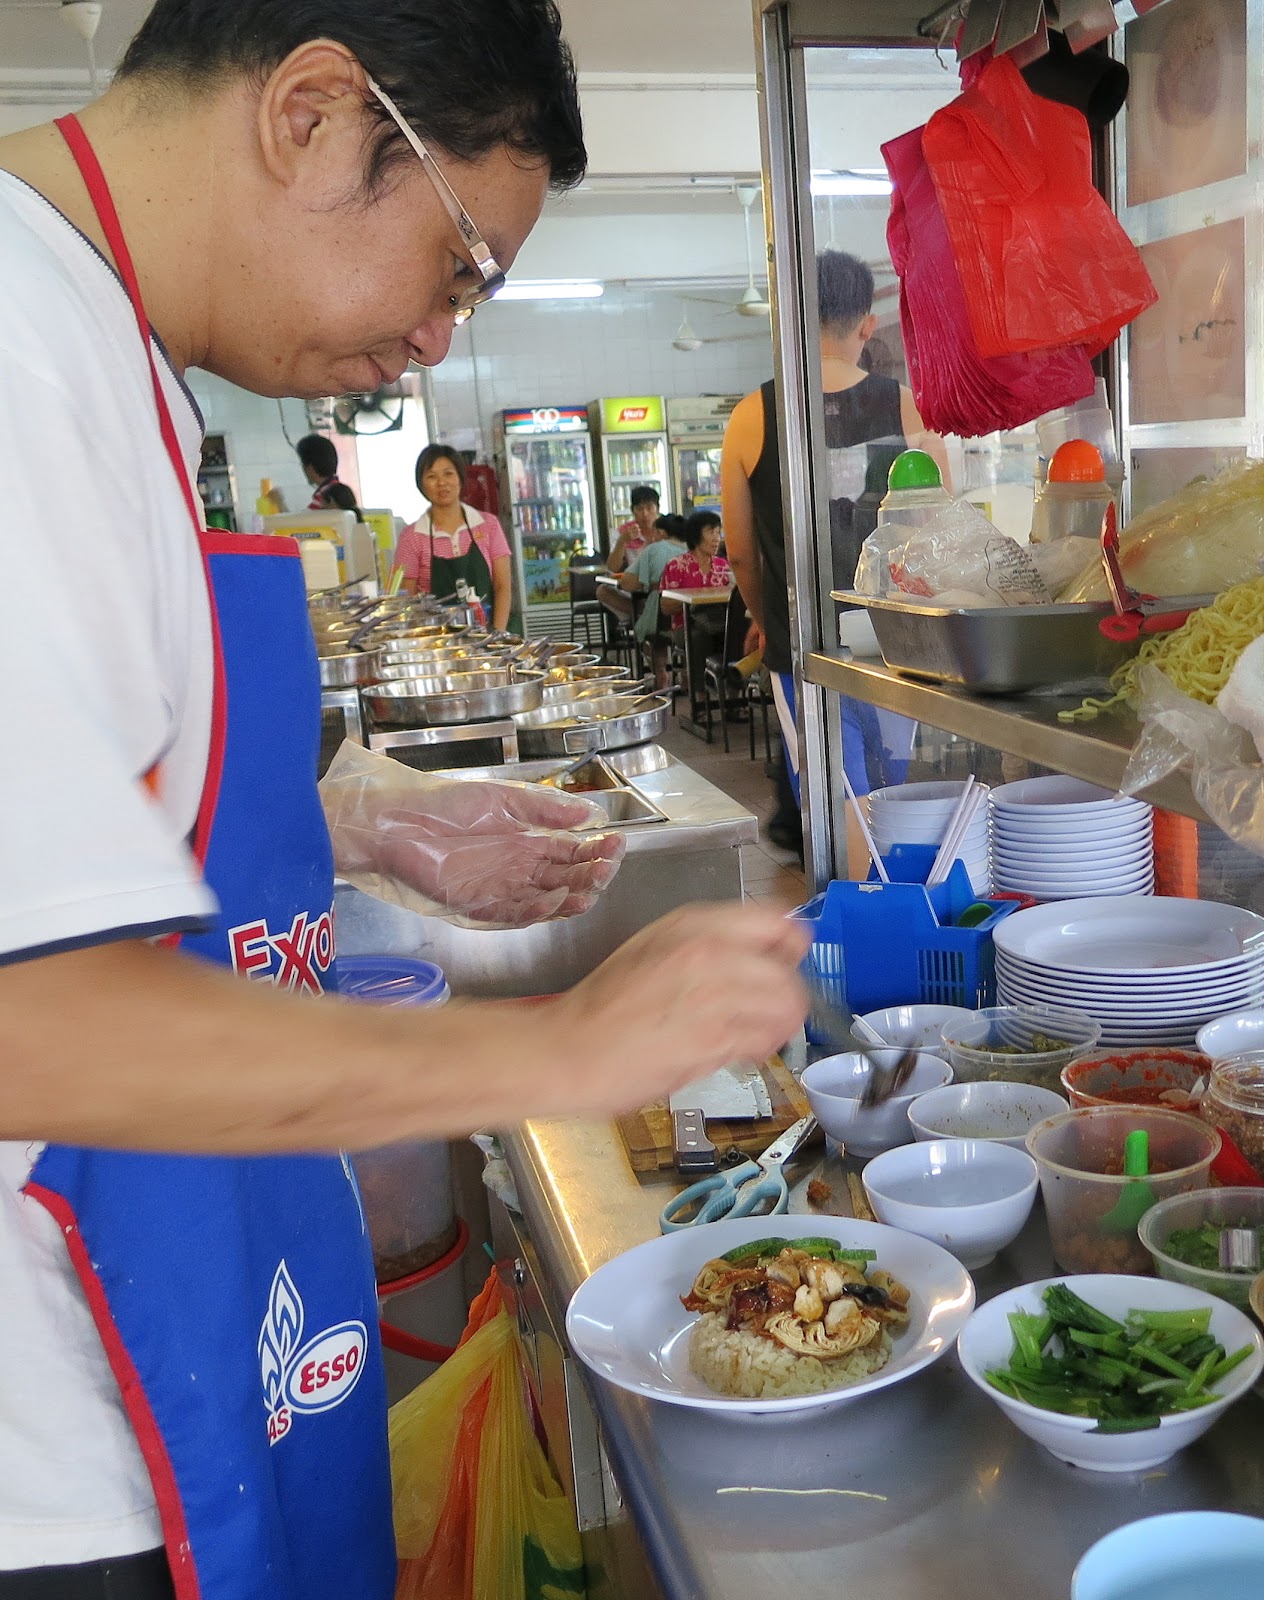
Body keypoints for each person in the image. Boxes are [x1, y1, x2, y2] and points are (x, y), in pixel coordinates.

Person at [0, 5, 810, 1598]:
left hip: (176, 1309)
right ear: (310, 113)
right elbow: (27, 1016)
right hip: (54, 1447)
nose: (445, 339)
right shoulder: (18, 359)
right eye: (461, 267)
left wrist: (355, 826)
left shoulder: (111, 351)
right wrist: (560, 1048)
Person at [722, 248, 938, 851]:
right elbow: (936, 531)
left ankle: (856, 916)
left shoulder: (751, 415)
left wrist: (767, 623)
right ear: (867, 325)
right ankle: (895, 909)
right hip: (895, 642)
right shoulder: (905, 406)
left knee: (835, 794)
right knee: (888, 790)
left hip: (803, 643)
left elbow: (740, 553)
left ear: (791, 318)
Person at [393, 442, 514, 631]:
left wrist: (497, 636)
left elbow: (503, 586)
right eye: (432, 476)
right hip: (437, 643)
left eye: (448, 474)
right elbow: (406, 599)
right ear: (421, 485)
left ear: (460, 478)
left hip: (488, 637)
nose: (442, 483)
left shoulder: (489, 525)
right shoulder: (412, 537)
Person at [617, 512, 688, 690]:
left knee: (651, 631)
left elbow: (628, 582)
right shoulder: (693, 548)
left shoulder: (654, 549)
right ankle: (687, 674)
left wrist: (648, 584)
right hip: (691, 616)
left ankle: (661, 674)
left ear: (662, 533)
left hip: (662, 616)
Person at [659, 510, 730, 629]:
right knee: (702, 638)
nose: (716, 539)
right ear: (695, 534)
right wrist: (700, 599)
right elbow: (666, 607)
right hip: (686, 627)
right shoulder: (677, 565)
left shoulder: (723, 565)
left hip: (719, 623)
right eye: (711, 532)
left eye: (718, 533)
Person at [294, 431, 360, 517]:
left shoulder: (324, 496)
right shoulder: (342, 490)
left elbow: (299, 524)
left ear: (310, 468)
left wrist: (279, 502)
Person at [605, 482, 660, 572]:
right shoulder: (623, 532)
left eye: (649, 508)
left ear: (657, 508)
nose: (645, 514)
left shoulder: (668, 529)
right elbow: (612, 568)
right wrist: (622, 542)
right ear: (632, 511)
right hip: (636, 582)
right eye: (639, 509)